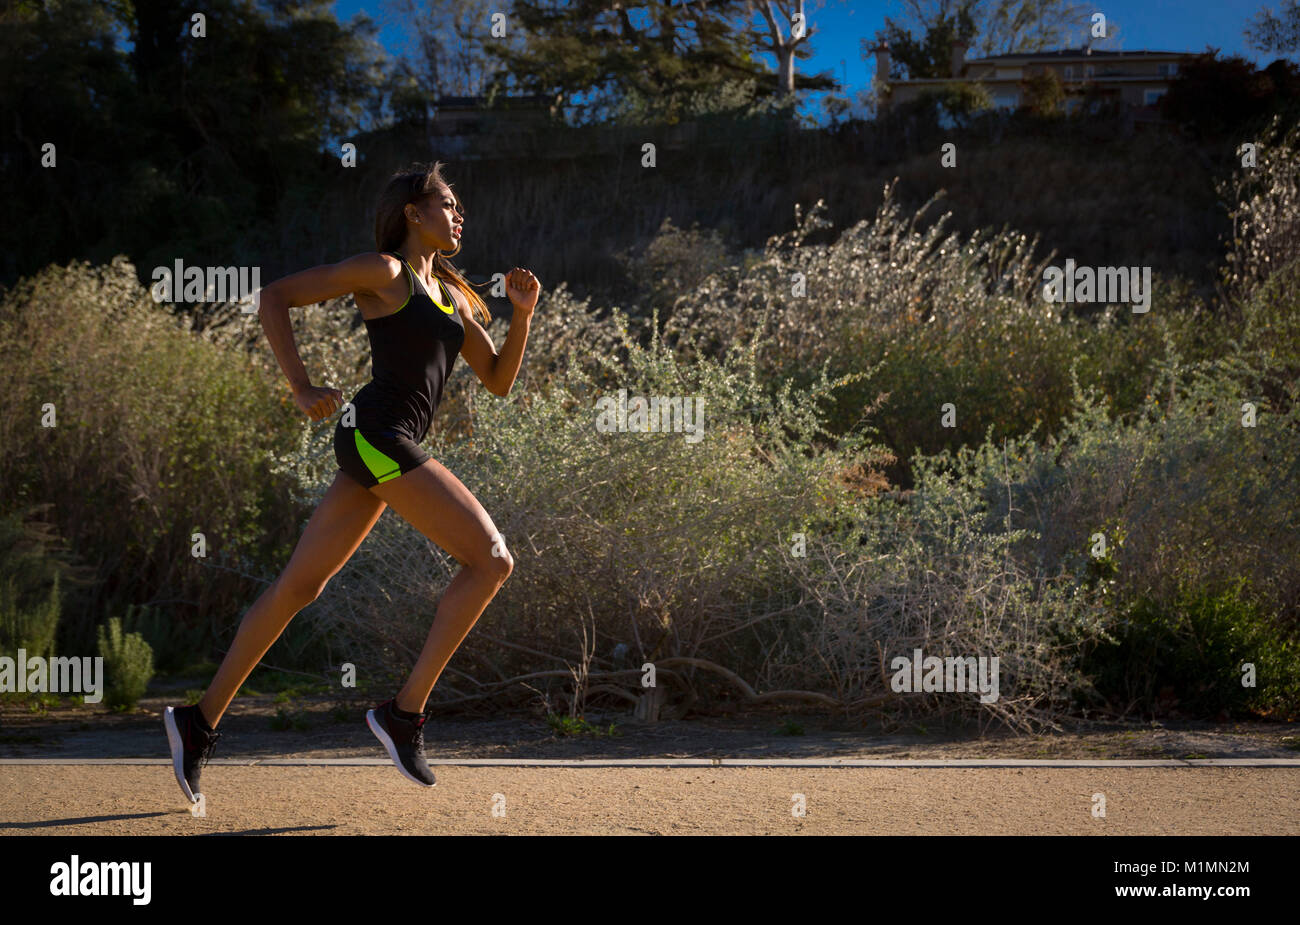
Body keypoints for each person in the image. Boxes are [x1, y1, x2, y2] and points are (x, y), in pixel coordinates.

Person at [163, 161, 538, 798]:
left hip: (387, 443)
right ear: (414, 213)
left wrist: (523, 315)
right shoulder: (385, 271)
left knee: (298, 588)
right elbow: (273, 296)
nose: (459, 214)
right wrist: (301, 385)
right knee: (492, 560)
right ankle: (403, 714)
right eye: (447, 204)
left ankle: (197, 723)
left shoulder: (450, 296)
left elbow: (500, 380)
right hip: (376, 434)